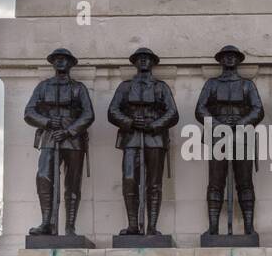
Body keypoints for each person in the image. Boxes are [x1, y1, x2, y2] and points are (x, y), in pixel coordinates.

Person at [107, 47, 179, 236]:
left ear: (153, 62)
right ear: (135, 62)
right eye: (140, 58)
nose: (144, 61)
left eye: (147, 58)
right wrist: (130, 122)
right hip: (131, 138)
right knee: (130, 180)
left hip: (155, 138)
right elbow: (113, 111)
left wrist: (155, 125)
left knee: (154, 183)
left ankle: (152, 226)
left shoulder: (161, 87)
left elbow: (172, 113)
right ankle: (133, 225)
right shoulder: (125, 86)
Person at [23, 48, 94, 236]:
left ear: (71, 63)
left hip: (73, 139)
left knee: (72, 183)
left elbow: (88, 115)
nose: (60, 62)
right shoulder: (43, 87)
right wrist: (47, 122)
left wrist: (69, 131)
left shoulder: (79, 88)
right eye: (57, 59)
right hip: (49, 137)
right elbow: (29, 113)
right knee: (44, 177)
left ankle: (70, 226)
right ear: (52, 63)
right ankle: (47, 223)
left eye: (64, 59)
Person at [195, 44, 264, 236]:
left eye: (233, 56)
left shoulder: (247, 84)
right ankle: (214, 228)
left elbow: (258, 109)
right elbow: (200, 109)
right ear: (220, 60)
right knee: (216, 182)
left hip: (242, 136)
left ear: (238, 59)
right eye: (226, 56)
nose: (229, 59)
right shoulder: (212, 84)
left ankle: (249, 228)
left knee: (245, 181)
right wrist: (218, 124)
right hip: (218, 136)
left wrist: (241, 123)